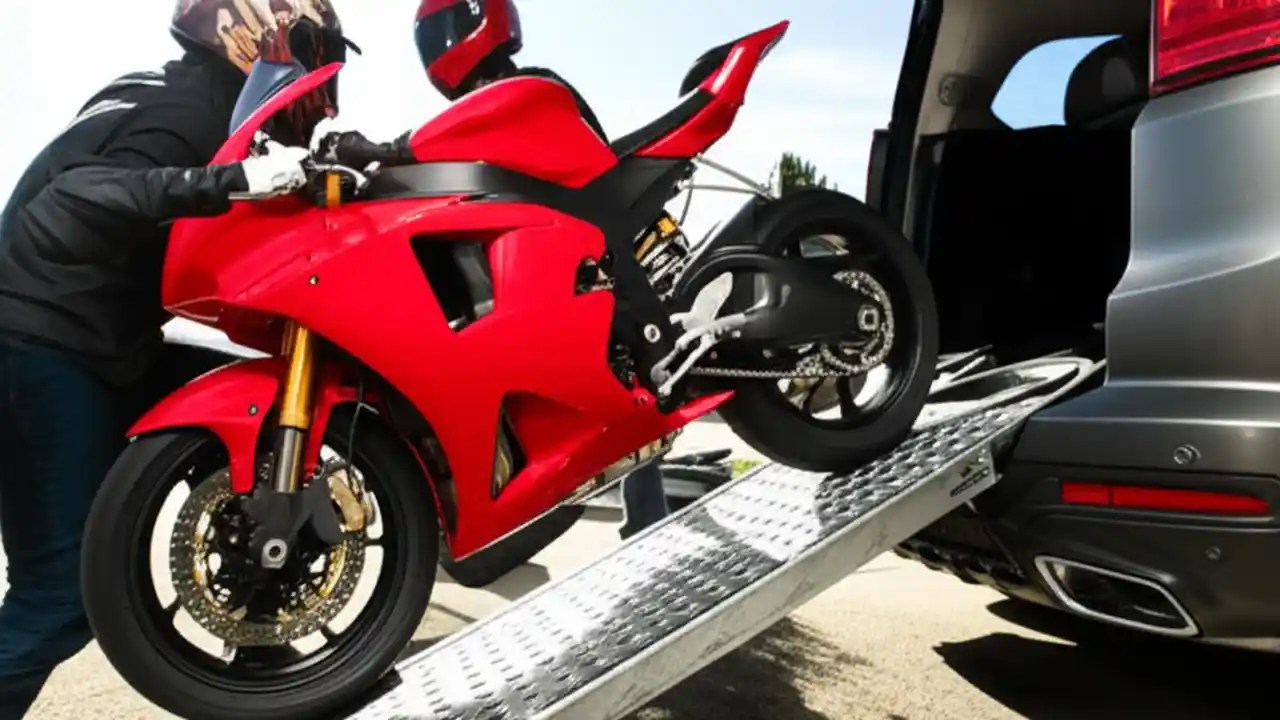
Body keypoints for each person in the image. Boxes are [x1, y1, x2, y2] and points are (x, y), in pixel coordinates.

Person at [0, 2, 350, 715]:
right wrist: (229, 184)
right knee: (61, 589)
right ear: (254, 32)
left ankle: (261, 619)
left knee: (241, 400)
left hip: (94, 345)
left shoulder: (200, 104)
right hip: (43, 347)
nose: (319, 74)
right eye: (313, 48)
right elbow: (79, 194)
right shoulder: (181, 106)